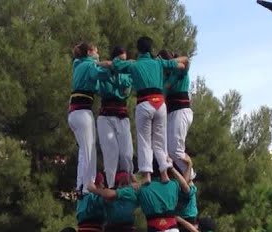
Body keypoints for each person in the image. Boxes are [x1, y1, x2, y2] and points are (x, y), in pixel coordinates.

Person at [100, 37, 188, 181]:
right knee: (160, 141)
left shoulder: (134, 64)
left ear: (138, 49)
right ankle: (164, 174)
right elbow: (180, 64)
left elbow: (113, 65)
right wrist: (181, 60)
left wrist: (99, 62)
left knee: (144, 140)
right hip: (160, 104)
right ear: (151, 49)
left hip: (144, 103)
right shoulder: (159, 63)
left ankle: (147, 175)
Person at [68, 42, 103, 194]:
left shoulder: (78, 65)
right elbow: (100, 76)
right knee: (90, 150)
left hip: (73, 113)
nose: (98, 54)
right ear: (89, 52)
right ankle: (89, 185)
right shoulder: (89, 65)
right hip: (83, 112)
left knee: (83, 150)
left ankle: (80, 185)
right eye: (96, 51)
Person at [97, 46, 134, 188]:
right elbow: (101, 88)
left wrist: (116, 72)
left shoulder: (126, 74)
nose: (122, 64)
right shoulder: (104, 72)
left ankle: (128, 181)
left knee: (126, 153)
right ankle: (111, 185)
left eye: (124, 61)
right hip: (105, 117)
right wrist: (108, 68)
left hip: (122, 117)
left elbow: (125, 89)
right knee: (111, 153)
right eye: (120, 60)